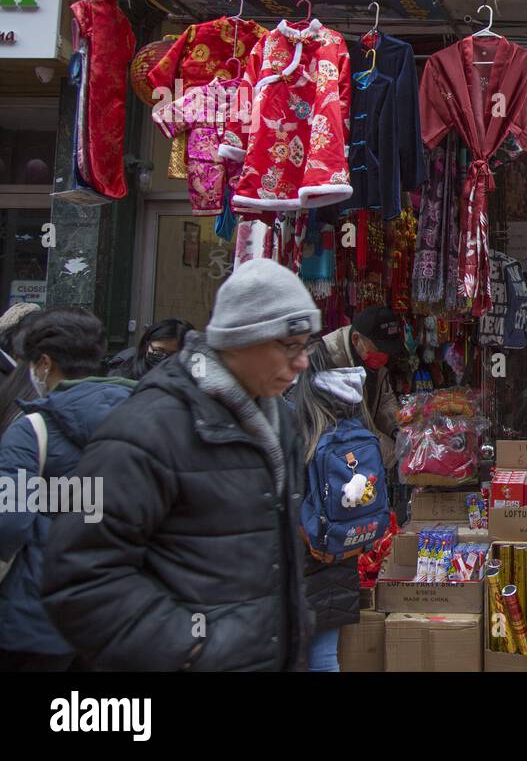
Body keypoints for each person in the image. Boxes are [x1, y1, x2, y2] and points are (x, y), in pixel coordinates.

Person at [41, 259, 319, 671]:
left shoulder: (276, 423)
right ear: (239, 340)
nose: (302, 363)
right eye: (289, 344)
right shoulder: (145, 429)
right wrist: (192, 647)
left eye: (307, 345)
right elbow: (80, 575)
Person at [0, 309, 134, 671]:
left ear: (44, 363)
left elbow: (8, 523)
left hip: (36, 615)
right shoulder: (141, 419)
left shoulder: (31, 430)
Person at [294, 349, 375, 672]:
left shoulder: (289, 416)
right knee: (326, 657)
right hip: (342, 550)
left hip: (303, 554)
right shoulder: (347, 410)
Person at [322, 306, 405, 468]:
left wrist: (398, 431)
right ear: (356, 339)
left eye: (388, 350)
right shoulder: (329, 359)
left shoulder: (372, 358)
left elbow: (385, 401)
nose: (384, 355)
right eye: (379, 349)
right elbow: (348, 426)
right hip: (335, 459)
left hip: (362, 453)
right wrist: (395, 452)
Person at [106, 317, 193, 379]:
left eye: (175, 356)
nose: (166, 360)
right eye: (159, 351)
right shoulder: (123, 375)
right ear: (145, 346)